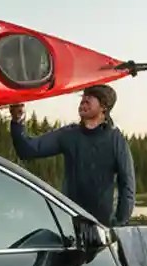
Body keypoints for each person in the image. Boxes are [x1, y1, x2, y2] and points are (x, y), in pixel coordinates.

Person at [8, 84, 136, 226]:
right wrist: (17, 120)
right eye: (83, 97)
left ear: (104, 107)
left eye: (91, 97)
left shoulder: (115, 140)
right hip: (70, 224)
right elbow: (27, 150)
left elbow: (127, 185)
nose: (84, 99)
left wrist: (119, 224)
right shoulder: (68, 135)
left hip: (102, 227)